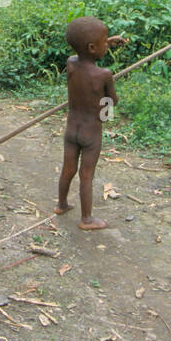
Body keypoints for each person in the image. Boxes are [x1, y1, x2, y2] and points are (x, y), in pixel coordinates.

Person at [55, 16, 126, 230]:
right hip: (91, 133)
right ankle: (86, 219)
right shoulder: (104, 74)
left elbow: (84, 54)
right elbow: (111, 101)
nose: (108, 44)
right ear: (93, 47)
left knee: (68, 169)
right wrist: (106, 107)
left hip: (71, 130)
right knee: (86, 175)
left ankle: (61, 204)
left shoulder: (71, 63)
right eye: (105, 41)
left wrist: (106, 42)